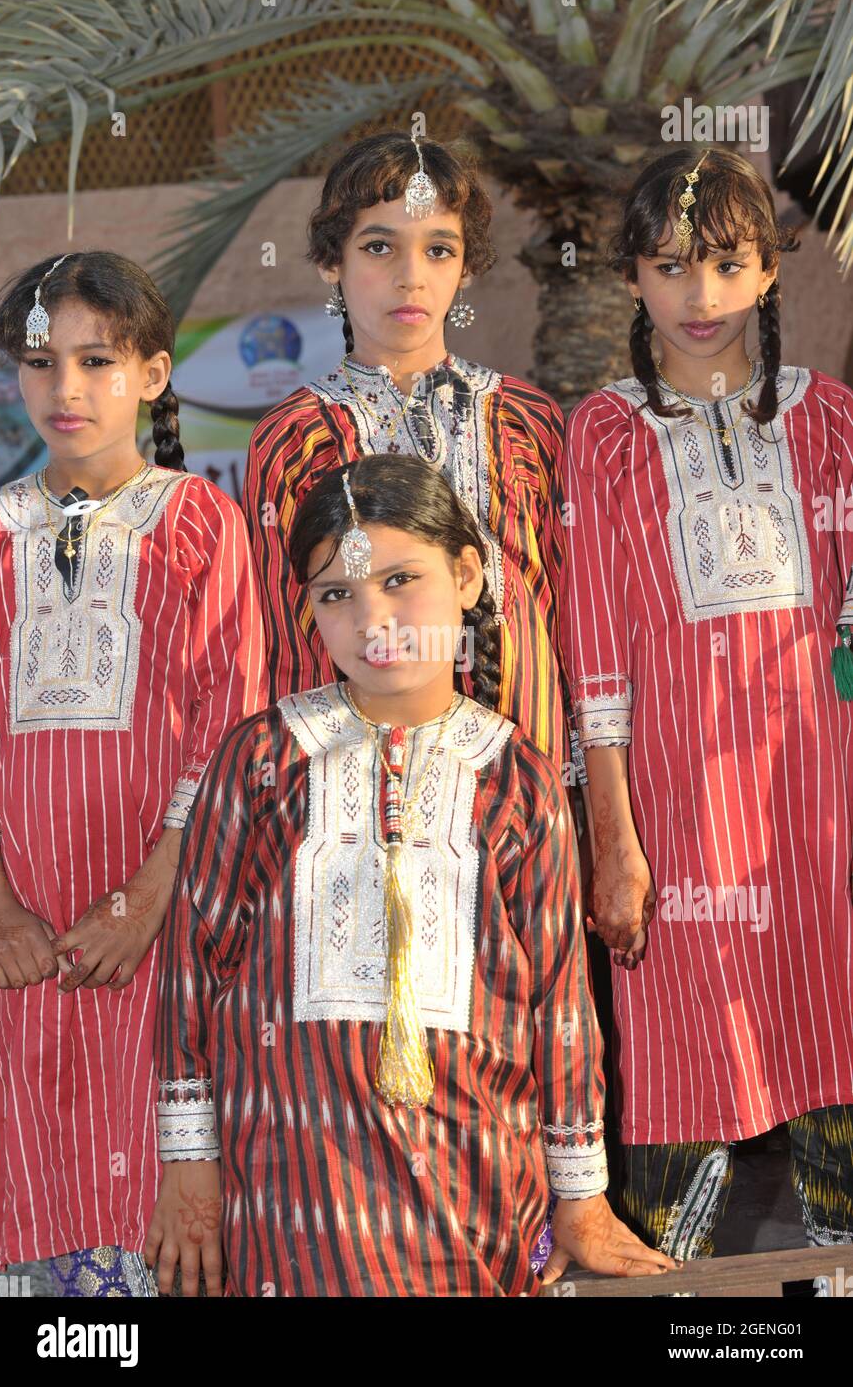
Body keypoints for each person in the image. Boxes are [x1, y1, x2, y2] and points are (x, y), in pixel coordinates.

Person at [146, 455, 676, 1295]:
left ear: (466, 575)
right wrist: (187, 1165)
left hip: (477, 1194)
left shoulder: (517, 777)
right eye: (337, 596)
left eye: (401, 580)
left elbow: (562, 1005)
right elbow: (189, 974)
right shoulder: (260, 760)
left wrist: (580, 1199)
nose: (374, 617)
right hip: (289, 1191)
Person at [564, 145, 853, 1258]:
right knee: (681, 1063)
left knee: (832, 1028)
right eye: (670, 265)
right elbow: (592, 649)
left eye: (727, 264)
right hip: (676, 817)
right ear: (631, 278)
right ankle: (663, 1302)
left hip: (814, 804)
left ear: (771, 270)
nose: (700, 296)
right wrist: (613, 837)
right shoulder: (605, 436)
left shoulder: (830, 422)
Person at [0, 250, 268, 1295]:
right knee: (26, 1161)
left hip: (165, 925)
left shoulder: (198, 523)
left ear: (153, 373)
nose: (65, 390)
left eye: (96, 360)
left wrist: (151, 895)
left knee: (160, 1176)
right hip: (17, 940)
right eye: (39, 362)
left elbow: (227, 729)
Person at [242, 127, 575, 774]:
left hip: (530, 781)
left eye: (439, 249)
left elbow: (570, 620)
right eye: (378, 247)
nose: (411, 277)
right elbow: (287, 636)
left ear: (467, 265)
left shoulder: (528, 422)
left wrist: (585, 804)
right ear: (330, 262)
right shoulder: (294, 436)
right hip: (356, 792)